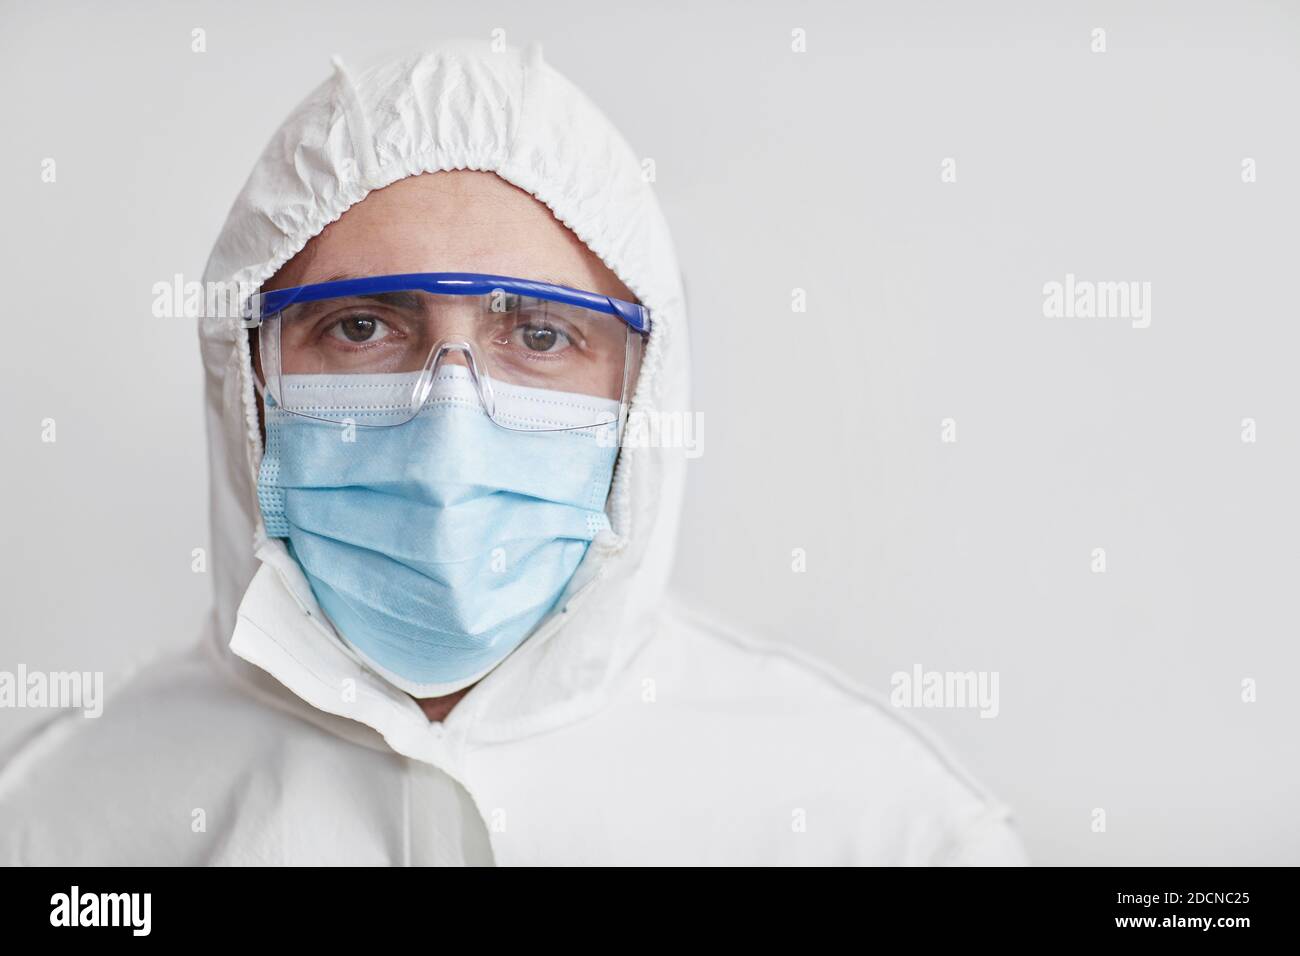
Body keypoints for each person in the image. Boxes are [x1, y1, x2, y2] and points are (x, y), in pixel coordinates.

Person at [0, 41, 1028, 865]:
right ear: (247, 374)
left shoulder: (884, 830)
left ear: (641, 392)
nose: (450, 424)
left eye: (538, 335)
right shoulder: (57, 826)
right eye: (360, 327)